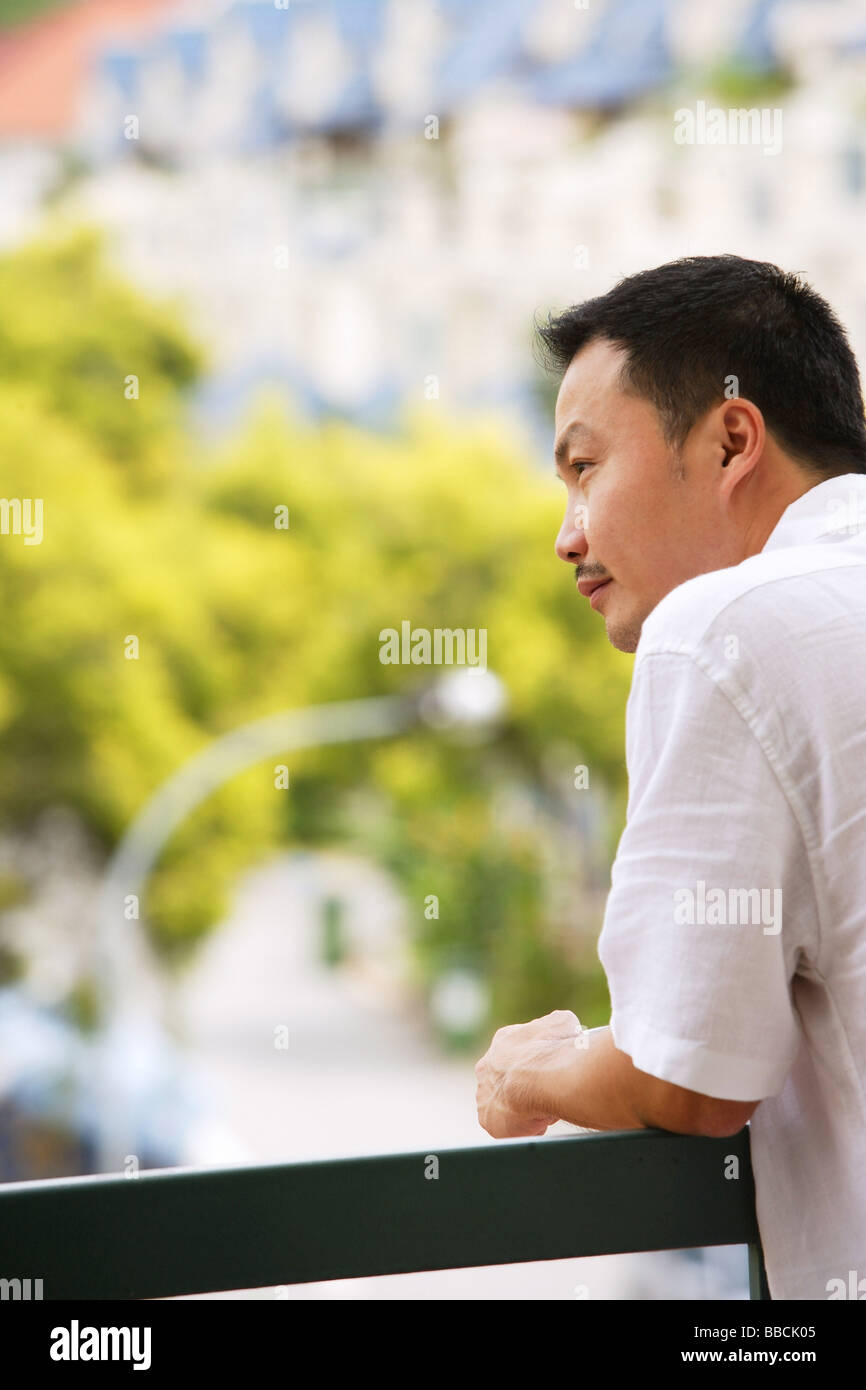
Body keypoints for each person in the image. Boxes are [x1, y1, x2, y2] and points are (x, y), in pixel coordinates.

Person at [474, 255, 866, 1301]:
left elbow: (686, 1076)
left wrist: (538, 1068)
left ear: (731, 437)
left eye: (584, 468)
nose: (567, 536)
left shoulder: (724, 629)